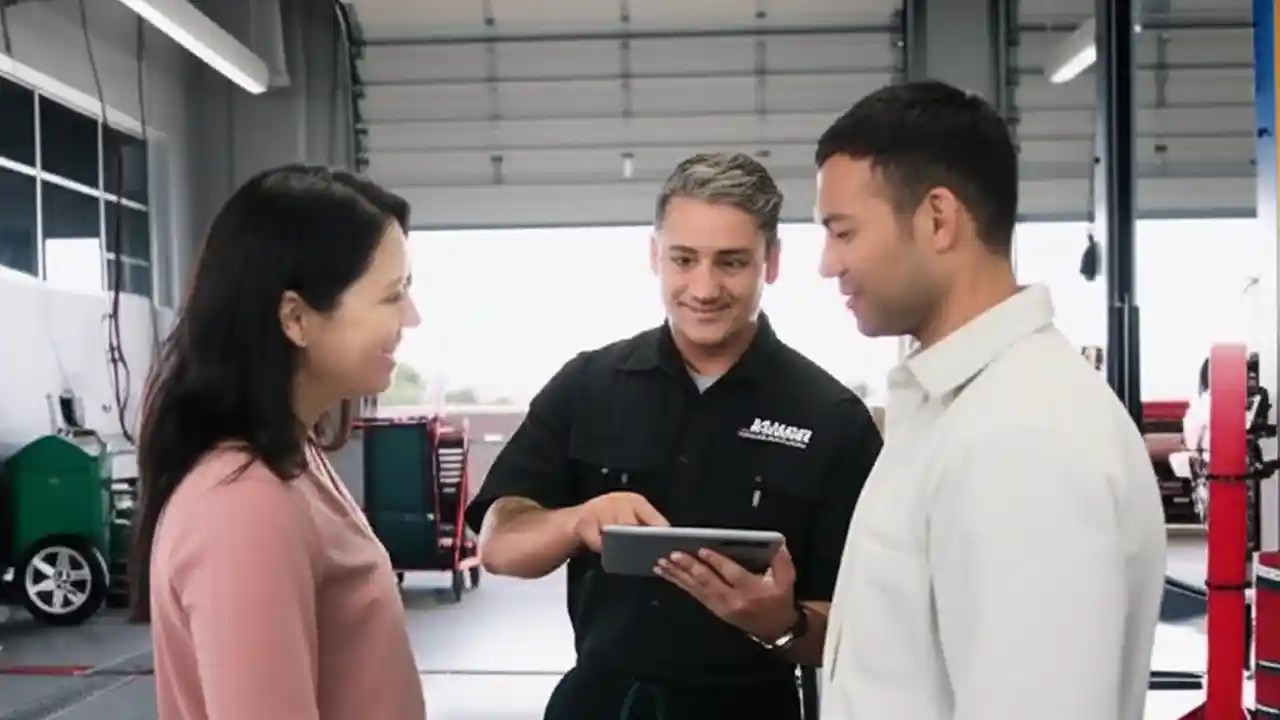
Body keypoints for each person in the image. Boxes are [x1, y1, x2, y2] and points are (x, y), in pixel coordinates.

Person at [465, 152, 882, 719]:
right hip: (600, 704)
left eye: (731, 263)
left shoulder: (833, 420)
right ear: (655, 255)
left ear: (772, 262)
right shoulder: (588, 385)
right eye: (684, 260)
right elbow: (499, 546)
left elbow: (864, 630)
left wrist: (780, 625)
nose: (704, 288)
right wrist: (577, 519)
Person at [814, 80, 1168, 720]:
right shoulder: (959, 408)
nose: (827, 263)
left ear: (937, 219)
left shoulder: (1023, 436)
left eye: (843, 232)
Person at [129, 165, 427, 720]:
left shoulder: (295, 458)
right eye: (392, 296)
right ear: (296, 317)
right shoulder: (243, 502)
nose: (412, 317)